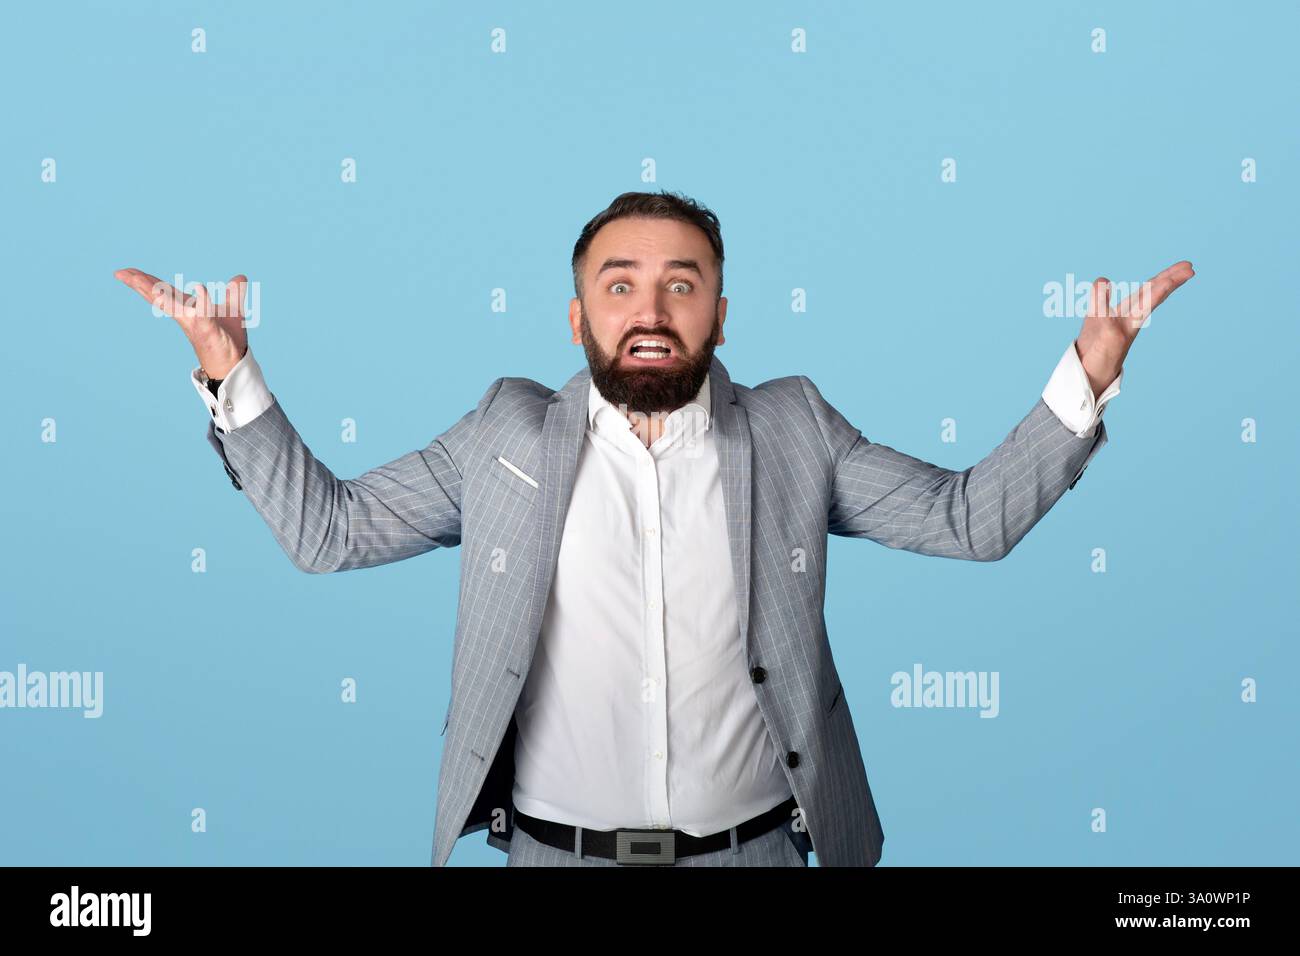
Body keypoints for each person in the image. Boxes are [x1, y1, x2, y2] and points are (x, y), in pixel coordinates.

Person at [114, 190, 1194, 867]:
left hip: (756, 853)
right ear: (576, 316)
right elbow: (330, 531)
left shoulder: (793, 427)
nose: (650, 307)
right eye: (618, 283)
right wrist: (228, 370)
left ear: (721, 313)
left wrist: (1086, 376)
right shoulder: (504, 434)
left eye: (682, 284)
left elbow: (967, 521)